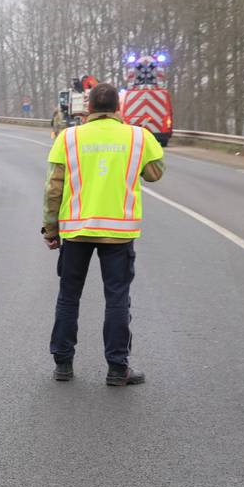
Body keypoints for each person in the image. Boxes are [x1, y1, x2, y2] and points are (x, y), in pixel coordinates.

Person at [43, 83, 165, 386]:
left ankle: (63, 364)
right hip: (118, 233)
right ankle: (117, 368)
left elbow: (54, 188)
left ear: (88, 108)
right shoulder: (137, 136)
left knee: (68, 297)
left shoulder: (68, 137)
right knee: (117, 299)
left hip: (76, 231)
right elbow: (155, 173)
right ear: (118, 108)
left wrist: (51, 228)